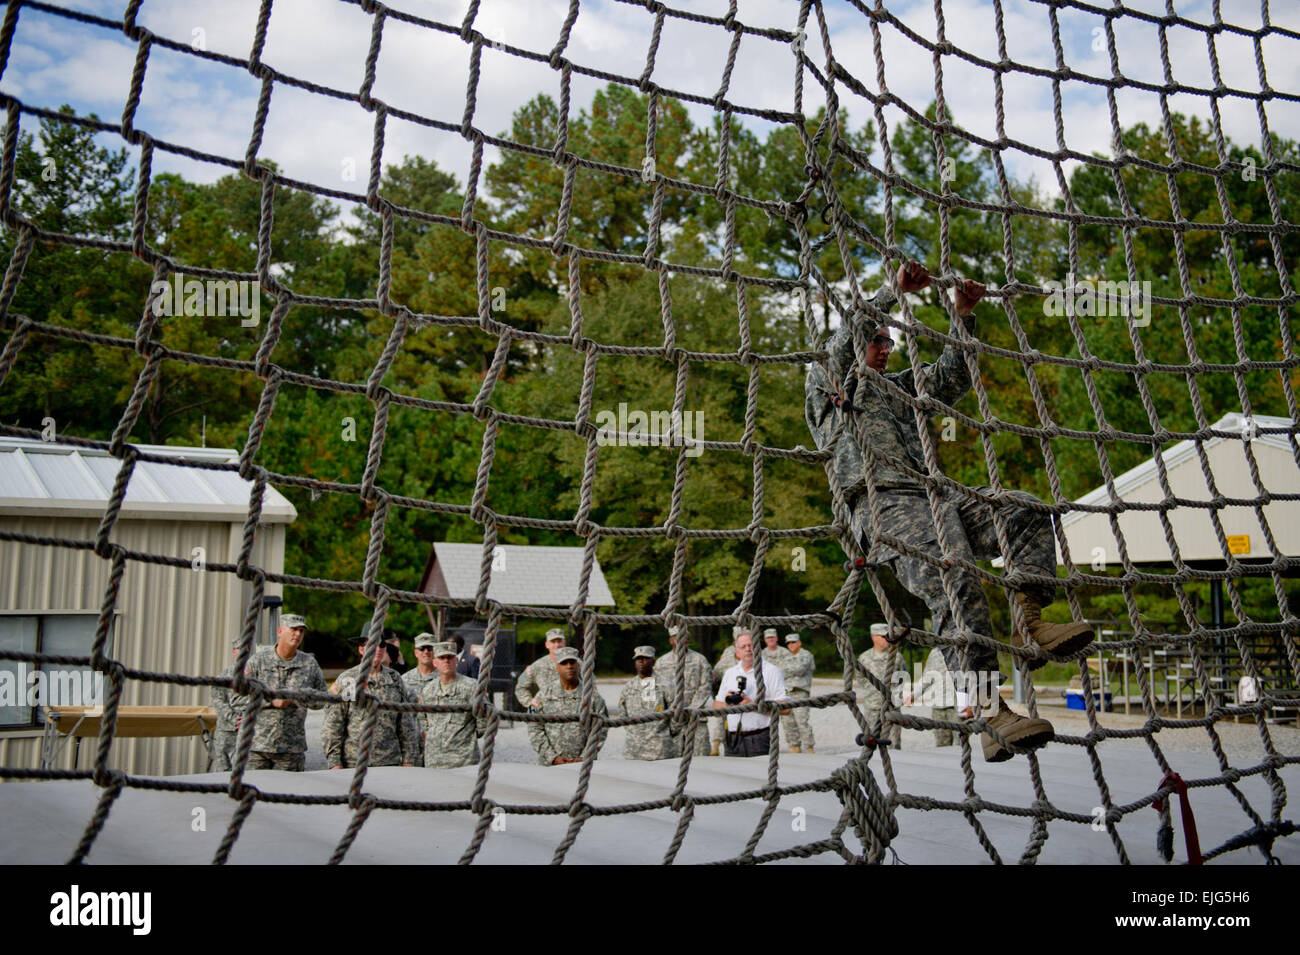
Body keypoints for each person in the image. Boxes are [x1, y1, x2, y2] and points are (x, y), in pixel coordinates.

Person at [804, 259, 1094, 761]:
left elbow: (950, 377)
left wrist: (963, 316)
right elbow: (843, 341)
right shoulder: (831, 390)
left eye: (889, 342)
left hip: (934, 493)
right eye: (876, 340)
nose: (883, 348)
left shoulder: (897, 392)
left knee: (1022, 511)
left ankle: (1030, 619)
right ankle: (990, 713)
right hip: (882, 504)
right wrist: (891, 292)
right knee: (956, 576)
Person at [243, 613, 328, 771]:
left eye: (301, 631)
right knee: (252, 792)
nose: (297, 634)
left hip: (291, 749)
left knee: (287, 793)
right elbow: (240, 694)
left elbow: (322, 700)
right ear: (280, 631)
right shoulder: (258, 661)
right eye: (293, 629)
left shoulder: (309, 664)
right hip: (257, 746)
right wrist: (270, 700)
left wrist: (300, 698)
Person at [323, 632, 420, 770]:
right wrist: (334, 763)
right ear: (361, 649)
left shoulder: (394, 678)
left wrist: (408, 760)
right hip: (354, 763)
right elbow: (333, 725)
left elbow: (406, 723)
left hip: (389, 763)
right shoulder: (348, 680)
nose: (378, 649)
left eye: (382, 645)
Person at [527, 646, 608, 765]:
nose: (569, 666)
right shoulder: (543, 696)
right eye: (564, 663)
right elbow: (534, 727)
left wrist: (585, 756)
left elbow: (601, 729)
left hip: (583, 764)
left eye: (572, 662)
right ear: (557, 668)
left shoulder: (592, 697)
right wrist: (552, 757)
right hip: (550, 765)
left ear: (578, 665)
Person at [713, 632, 788, 757]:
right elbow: (716, 707)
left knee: (760, 776)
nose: (748, 649)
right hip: (733, 739)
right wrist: (728, 702)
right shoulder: (730, 673)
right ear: (737, 652)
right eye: (743, 647)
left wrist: (752, 705)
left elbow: (786, 708)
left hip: (759, 739)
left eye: (751, 645)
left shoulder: (771, 671)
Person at [420, 642, 487, 768]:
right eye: (442, 658)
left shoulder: (472, 687)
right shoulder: (428, 690)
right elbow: (423, 719)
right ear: (435, 662)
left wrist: (469, 736)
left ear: (456, 660)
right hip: (434, 759)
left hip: (464, 759)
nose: (446, 661)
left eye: (450, 658)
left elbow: (484, 718)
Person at [654, 627, 713, 756]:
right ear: (671, 640)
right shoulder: (661, 663)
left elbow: (706, 686)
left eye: (685, 636)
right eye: (677, 637)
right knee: (671, 764)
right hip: (672, 722)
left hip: (696, 720)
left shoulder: (700, 660)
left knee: (702, 763)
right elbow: (657, 691)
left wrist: (691, 709)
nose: (682, 639)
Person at [616, 646, 677, 760]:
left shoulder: (666, 685)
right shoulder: (629, 686)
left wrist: (668, 733)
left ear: (653, 661)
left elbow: (676, 714)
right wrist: (634, 733)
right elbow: (622, 713)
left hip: (660, 751)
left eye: (646, 659)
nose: (642, 662)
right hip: (633, 751)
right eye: (638, 659)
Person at [856, 623, 906, 749]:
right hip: (872, 707)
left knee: (893, 745)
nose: (886, 639)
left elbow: (903, 677)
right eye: (883, 636)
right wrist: (872, 692)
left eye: (888, 636)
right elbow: (860, 678)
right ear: (874, 637)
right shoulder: (864, 658)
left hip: (891, 708)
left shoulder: (897, 657)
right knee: (871, 743)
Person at [210, 637, 249, 772]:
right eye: (240, 649)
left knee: (243, 770)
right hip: (226, 730)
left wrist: (246, 718)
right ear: (234, 652)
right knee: (222, 769)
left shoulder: (255, 674)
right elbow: (218, 699)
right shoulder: (224, 675)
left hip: (248, 728)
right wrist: (233, 718)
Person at [709, 627, 745, 756]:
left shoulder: (751, 650)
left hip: (745, 693)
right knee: (720, 719)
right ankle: (716, 745)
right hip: (727, 691)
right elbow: (717, 671)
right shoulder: (728, 652)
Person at [780, 632, 816, 754]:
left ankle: (809, 747)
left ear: (799, 643)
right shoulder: (785, 657)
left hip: (800, 692)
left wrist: (787, 669)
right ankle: (794, 747)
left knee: (802, 721)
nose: (790, 645)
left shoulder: (806, 655)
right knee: (788, 722)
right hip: (787, 693)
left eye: (793, 642)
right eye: (788, 643)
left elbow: (800, 669)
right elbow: (780, 673)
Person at [515, 628, 566, 709]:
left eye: (559, 641)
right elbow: (521, 687)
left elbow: (592, 684)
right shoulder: (537, 666)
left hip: (570, 715)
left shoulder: (576, 664)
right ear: (547, 645)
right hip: (544, 716)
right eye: (553, 642)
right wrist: (533, 704)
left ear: (564, 643)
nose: (557, 645)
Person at [923, 647, 959, 747]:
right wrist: (914, 695)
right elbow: (927, 678)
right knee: (942, 746)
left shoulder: (960, 650)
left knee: (960, 743)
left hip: (956, 707)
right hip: (938, 708)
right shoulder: (934, 653)